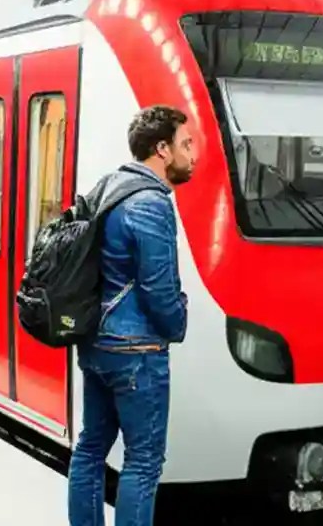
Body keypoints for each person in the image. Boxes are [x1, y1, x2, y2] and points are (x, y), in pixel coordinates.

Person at [67, 106, 196, 526]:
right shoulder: (151, 203)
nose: (193, 154)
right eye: (186, 144)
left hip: (96, 343)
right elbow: (159, 288)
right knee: (143, 461)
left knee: (90, 448)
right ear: (162, 149)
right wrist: (179, 322)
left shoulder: (109, 186)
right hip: (137, 352)